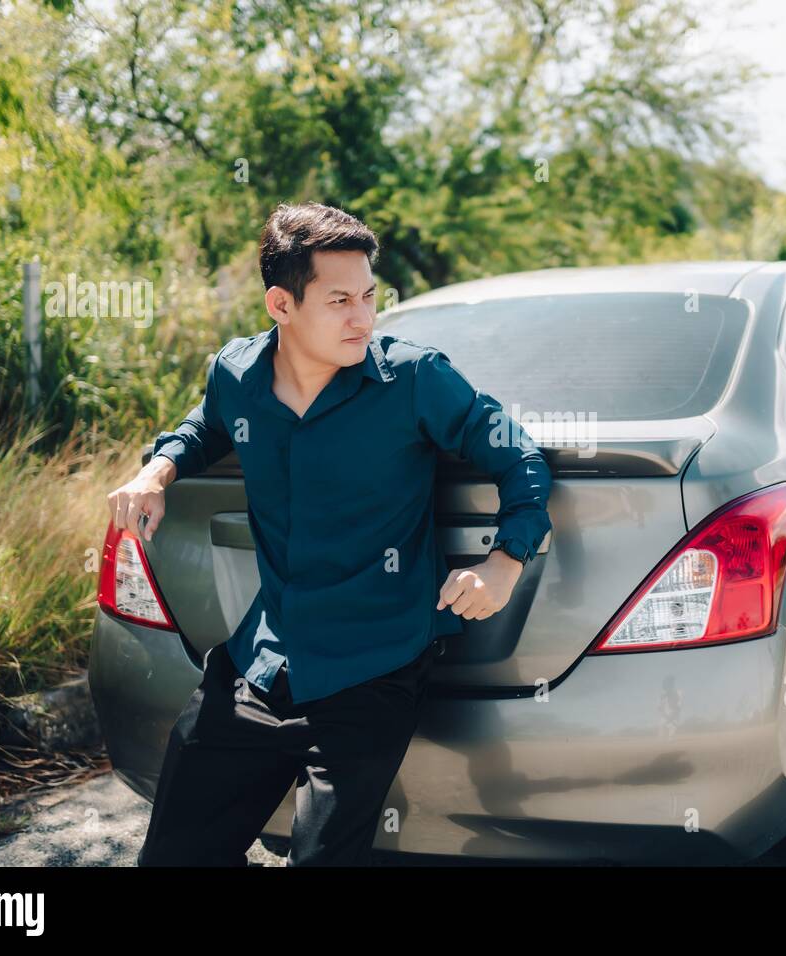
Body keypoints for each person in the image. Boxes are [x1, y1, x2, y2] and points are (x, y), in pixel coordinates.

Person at [105, 202, 553, 866]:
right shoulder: (238, 374)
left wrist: (506, 562)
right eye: (339, 300)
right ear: (280, 305)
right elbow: (206, 424)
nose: (363, 318)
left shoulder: (414, 379)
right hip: (260, 663)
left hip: (372, 673)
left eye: (369, 296)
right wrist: (158, 470)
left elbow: (518, 457)